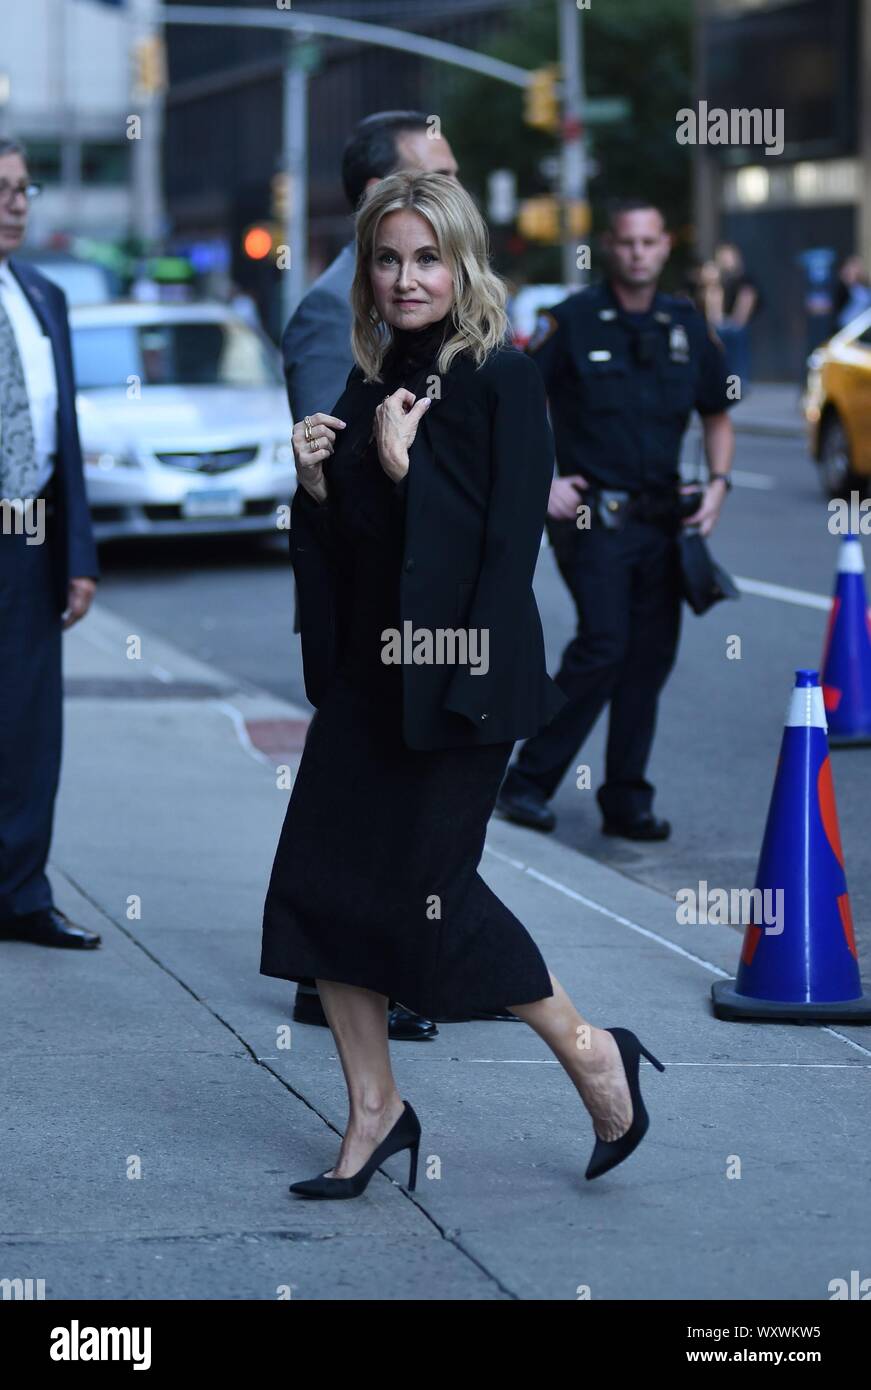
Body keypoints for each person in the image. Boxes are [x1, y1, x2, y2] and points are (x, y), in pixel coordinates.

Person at [259, 171, 665, 1198]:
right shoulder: (366, 373)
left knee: (425, 895)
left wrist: (403, 473)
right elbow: (360, 562)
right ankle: (372, 1113)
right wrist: (314, 490)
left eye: (426, 257)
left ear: (461, 262)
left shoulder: (500, 376)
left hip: (458, 683)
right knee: (319, 886)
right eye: (387, 258)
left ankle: (590, 1051)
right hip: (366, 683)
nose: (405, 278)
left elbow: (501, 549)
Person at [281, 110, 487, 1042]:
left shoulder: (476, 355)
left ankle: (405, 977)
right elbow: (349, 489)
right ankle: (352, 981)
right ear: (379, 202)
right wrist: (335, 477)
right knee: (364, 845)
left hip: (440, 638)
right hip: (370, 625)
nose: (455, 184)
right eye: (435, 172)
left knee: (413, 852)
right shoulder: (340, 317)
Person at [497, 198, 735, 841]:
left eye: (649, 242)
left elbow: (717, 412)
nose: (638, 253)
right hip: (590, 516)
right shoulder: (572, 321)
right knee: (604, 643)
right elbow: (518, 398)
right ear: (610, 246)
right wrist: (540, 478)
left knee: (650, 657)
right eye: (627, 242)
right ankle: (526, 781)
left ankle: (626, 799)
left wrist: (718, 485)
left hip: (665, 519)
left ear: (665, 247)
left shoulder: (685, 323)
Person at [0, 137, 100, 949]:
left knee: (30, 730)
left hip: (29, 538)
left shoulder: (41, 294)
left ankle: (21, 894)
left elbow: (64, 433)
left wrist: (78, 556)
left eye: (24, 187)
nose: (17, 202)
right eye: (0, 188)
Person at [712, 242, 759, 388]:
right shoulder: (719, 278)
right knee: (723, 356)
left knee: (737, 358)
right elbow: (714, 297)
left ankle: (737, 387)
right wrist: (716, 320)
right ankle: (726, 385)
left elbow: (747, 299)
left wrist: (738, 321)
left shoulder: (743, 277)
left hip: (736, 323)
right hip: (722, 322)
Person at [834, 255, 871, 330]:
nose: (857, 269)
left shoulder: (864, 285)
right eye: (853, 266)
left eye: (858, 266)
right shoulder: (841, 287)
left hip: (862, 326)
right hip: (845, 327)